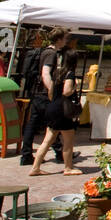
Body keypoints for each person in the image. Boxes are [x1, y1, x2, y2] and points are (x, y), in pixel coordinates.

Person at [30, 49, 83, 176]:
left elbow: (51, 91)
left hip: (52, 107)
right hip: (62, 111)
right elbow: (67, 91)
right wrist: (75, 86)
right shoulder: (70, 74)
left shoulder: (57, 72)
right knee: (68, 141)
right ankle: (68, 167)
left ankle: (35, 167)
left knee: (47, 141)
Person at [21, 29, 66, 166]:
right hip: (44, 94)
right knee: (53, 122)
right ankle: (59, 153)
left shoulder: (44, 51)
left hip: (37, 92)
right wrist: (51, 91)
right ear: (58, 39)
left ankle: (26, 154)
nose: (65, 42)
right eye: (64, 39)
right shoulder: (51, 54)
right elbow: (45, 73)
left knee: (33, 123)